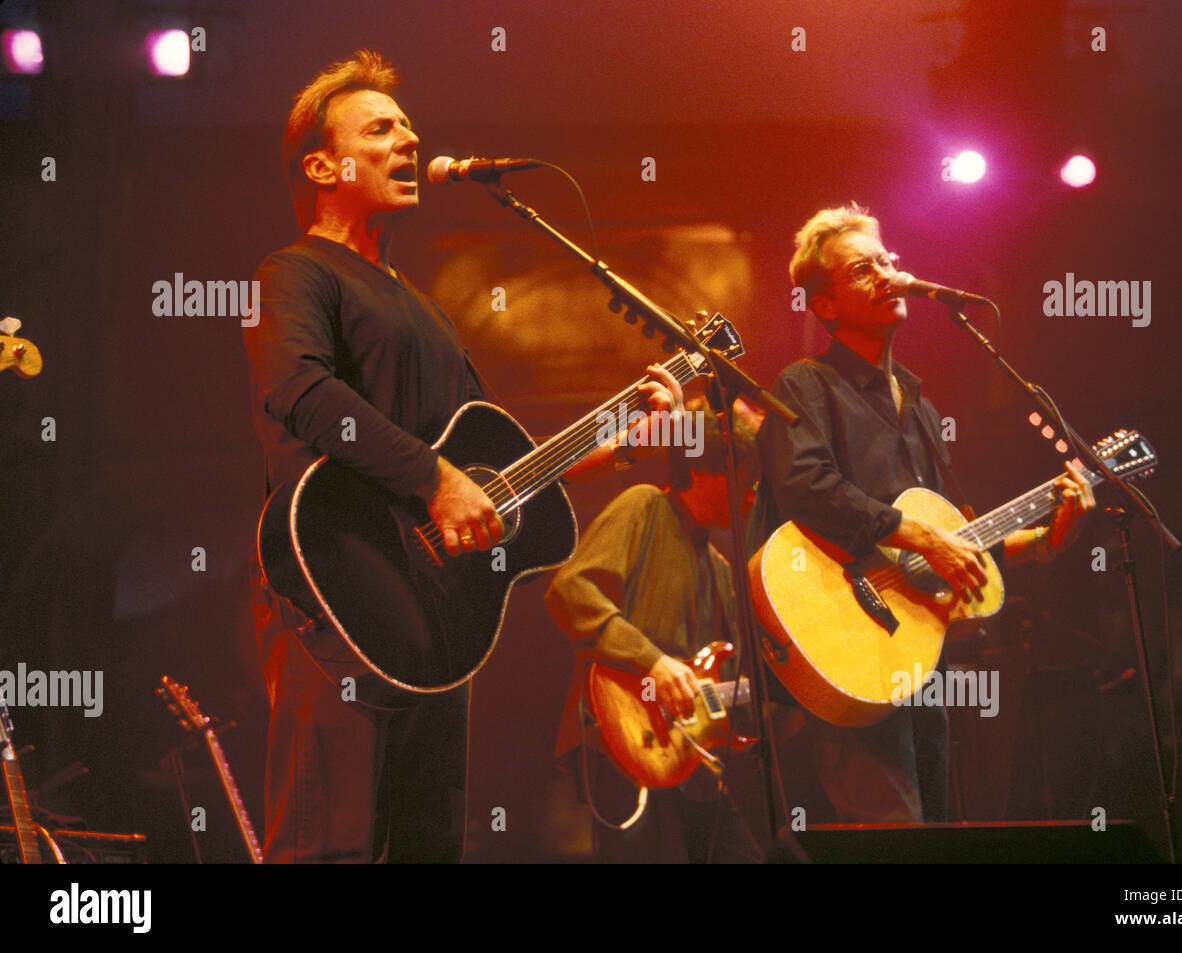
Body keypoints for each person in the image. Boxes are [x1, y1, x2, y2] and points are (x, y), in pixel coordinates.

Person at [242, 50, 681, 863]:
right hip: (337, 585)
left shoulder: (425, 309)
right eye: (380, 129)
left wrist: (612, 449)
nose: (409, 140)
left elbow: (491, 471)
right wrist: (434, 479)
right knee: (324, 845)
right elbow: (301, 394)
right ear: (321, 164)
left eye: (409, 127)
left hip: (433, 616)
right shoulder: (295, 273)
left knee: (428, 846)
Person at [752, 203, 1095, 823]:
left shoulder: (920, 406)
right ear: (823, 306)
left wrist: (1048, 536)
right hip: (844, 644)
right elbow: (805, 484)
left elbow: (957, 542)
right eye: (862, 270)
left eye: (887, 260)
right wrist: (920, 537)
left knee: (940, 830)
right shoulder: (805, 384)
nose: (886, 274)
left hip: (915, 653)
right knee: (896, 835)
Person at [545, 396, 766, 862]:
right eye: (746, 482)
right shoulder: (643, 505)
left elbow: (735, 683)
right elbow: (570, 589)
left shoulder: (723, 570)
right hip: (624, 739)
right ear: (705, 471)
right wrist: (655, 662)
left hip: (692, 759)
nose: (752, 497)